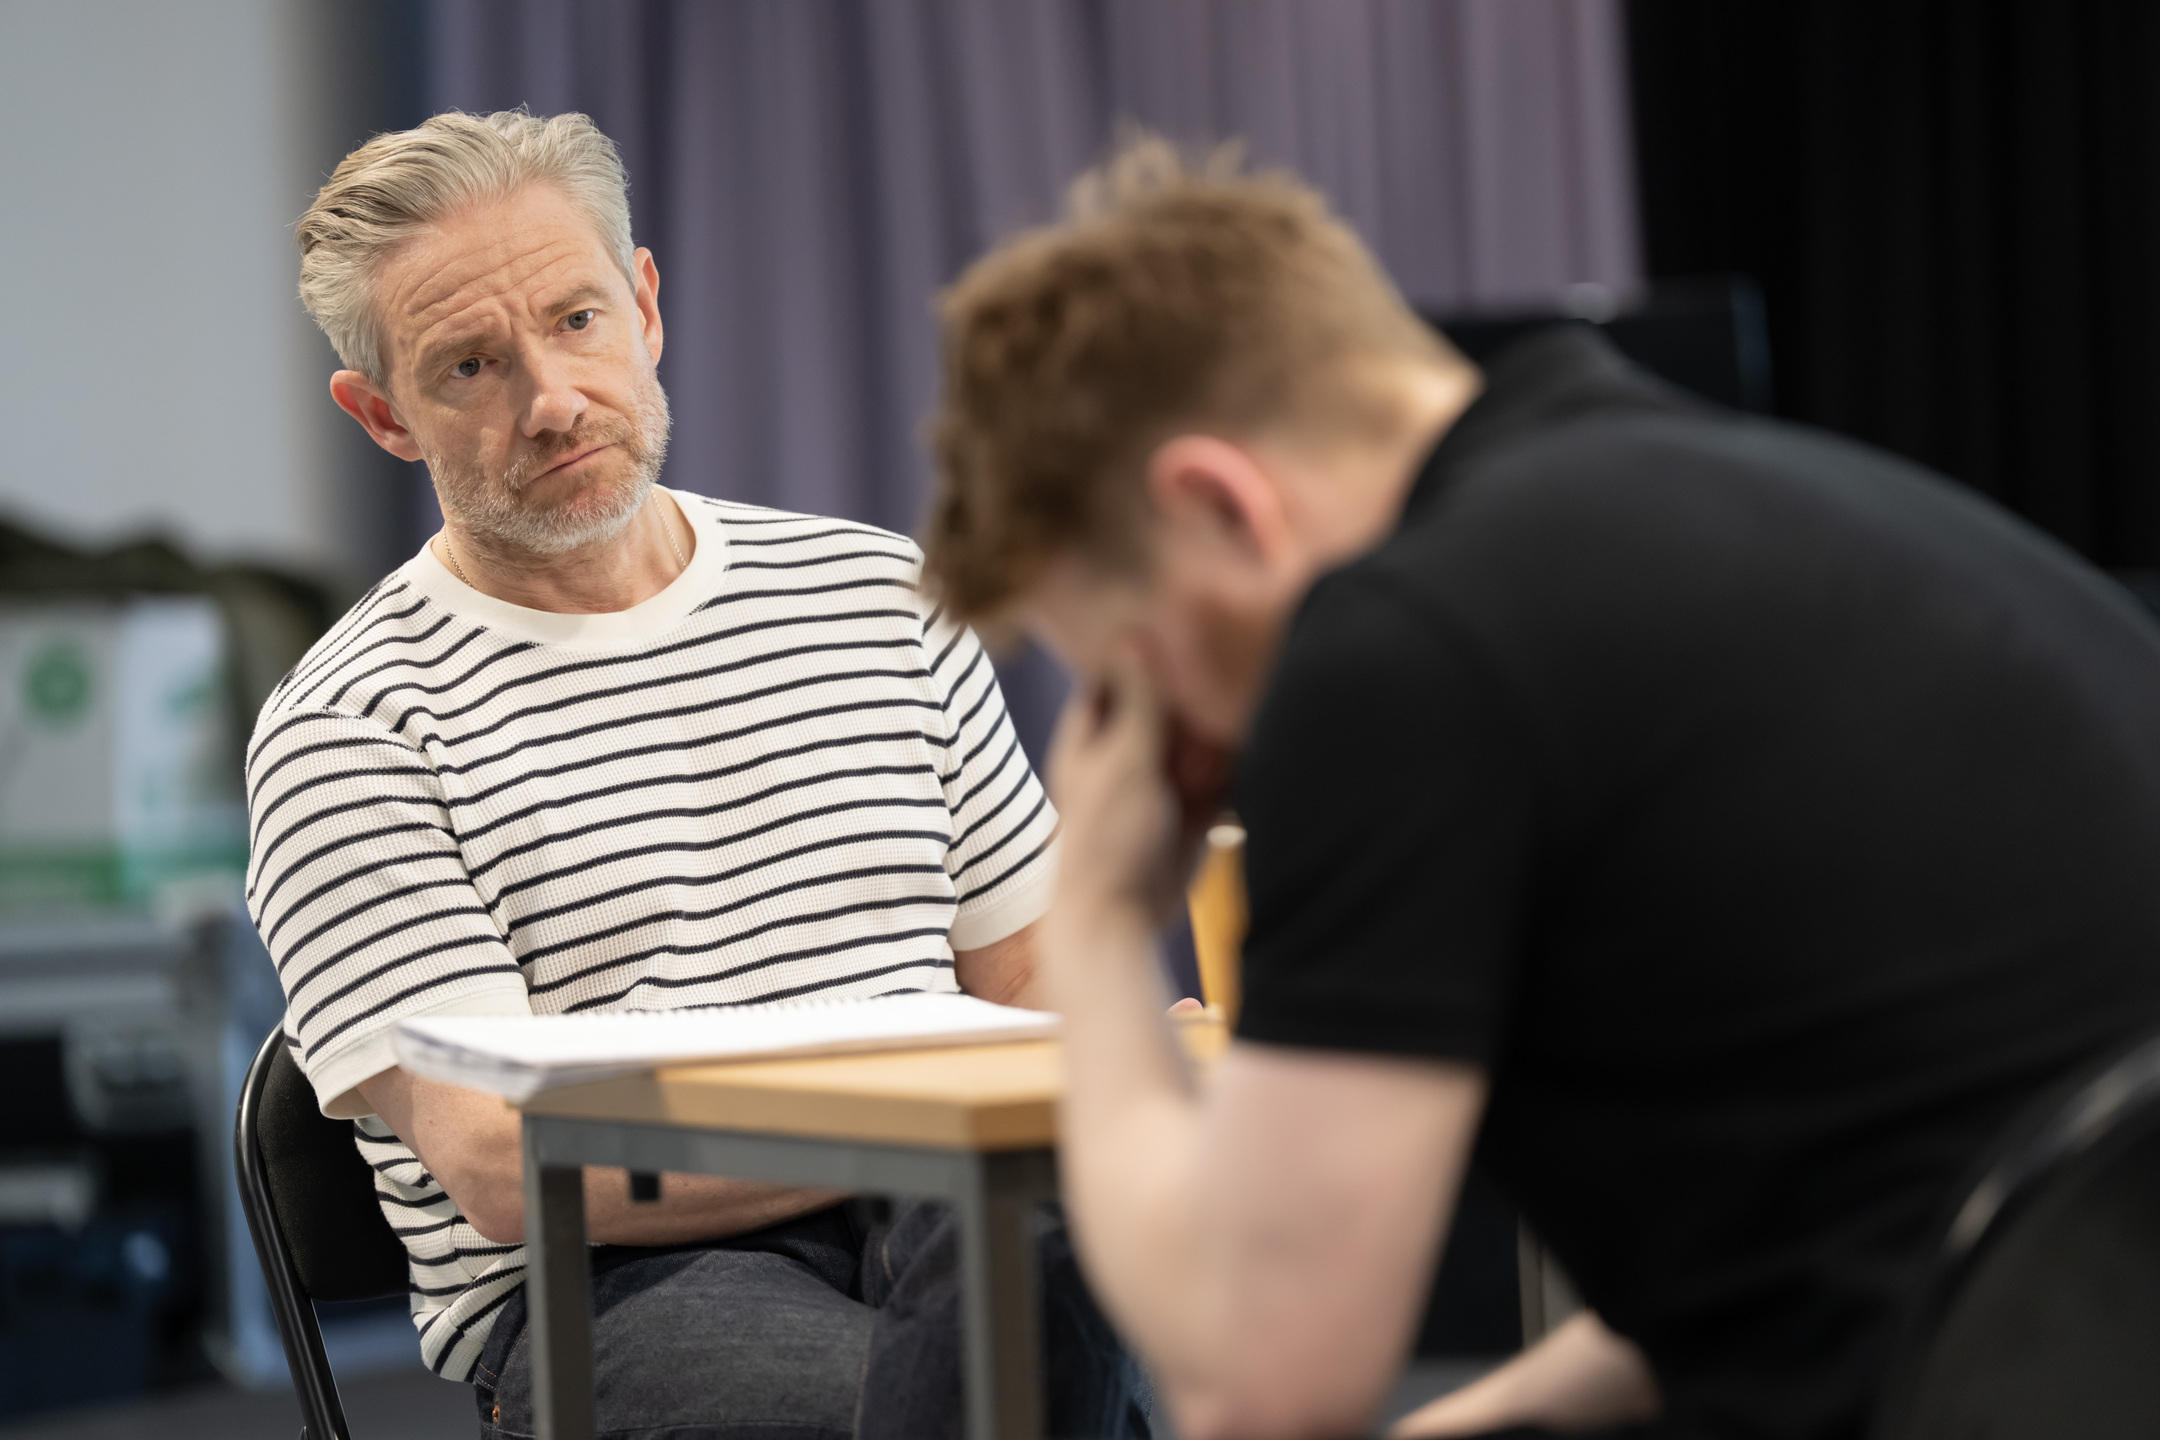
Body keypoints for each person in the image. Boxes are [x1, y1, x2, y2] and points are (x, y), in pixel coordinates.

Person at [917, 136, 2160, 1440]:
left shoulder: (1400, 646)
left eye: (1134, 675)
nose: (1171, 747)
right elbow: (1878, 1235)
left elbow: (1257, 1384)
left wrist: (1106, 925)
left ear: (1221, 509)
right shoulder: (1748, 504)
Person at [249, 109, 1144, 1440]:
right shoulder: (352, 724)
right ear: (382, 413)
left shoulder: (882, 595)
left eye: (575, 321)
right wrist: (934, 1120)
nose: (551, 402)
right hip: (613, 1285)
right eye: (469, 367)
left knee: (1065, 1239)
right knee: (954, 1403)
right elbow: (503, 1164)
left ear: (646, 306)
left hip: (958, 1210)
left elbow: (1032, 981)